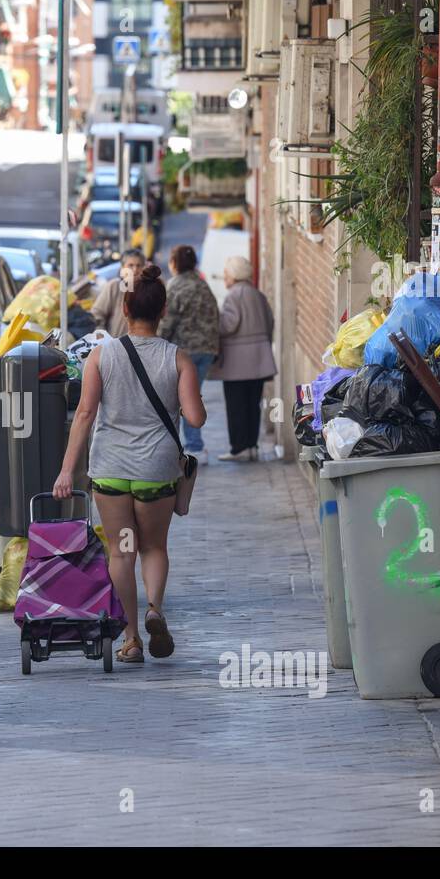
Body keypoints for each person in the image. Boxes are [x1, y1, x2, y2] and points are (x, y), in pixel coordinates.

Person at [53, 264, 207, 663]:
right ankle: (155, 608)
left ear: (125, 307)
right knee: (154, 547)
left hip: (111, 473)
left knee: (122, 552)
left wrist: (68, 470)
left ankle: (132, 639)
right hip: (156, 473)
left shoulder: (102, 356)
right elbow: (196, 419)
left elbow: (85, 414)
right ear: (164, 310)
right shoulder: (177, 358)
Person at [209, 255, 276, 462]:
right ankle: (252, 446)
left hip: (237, 362)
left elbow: (228, 325)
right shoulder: (258, 295)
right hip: (258, 359)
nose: (224, 278)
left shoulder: (233, 296)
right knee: (252, 404)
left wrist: (214, 320)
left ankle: (239, 448)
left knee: (236, 405)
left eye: (226, 274)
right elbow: (270, 322)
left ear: (234, 275)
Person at [158, 244, 219, 458]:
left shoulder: (174, 286)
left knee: (181, 399)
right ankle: (195, 446)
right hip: (207, 350)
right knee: (193, 396)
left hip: (185, 352)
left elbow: (167, 321)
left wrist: (154, 343)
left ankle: (192, 447)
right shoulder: (203, 285)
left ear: (174, 264)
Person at [90, 249, 145, 338]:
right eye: (130, 265)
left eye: (139, 265)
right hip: (114, 346)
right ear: (123, 268)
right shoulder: (114, 287)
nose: (135, 270)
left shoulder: (149, 291)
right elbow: (97, 314)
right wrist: (102, 337)